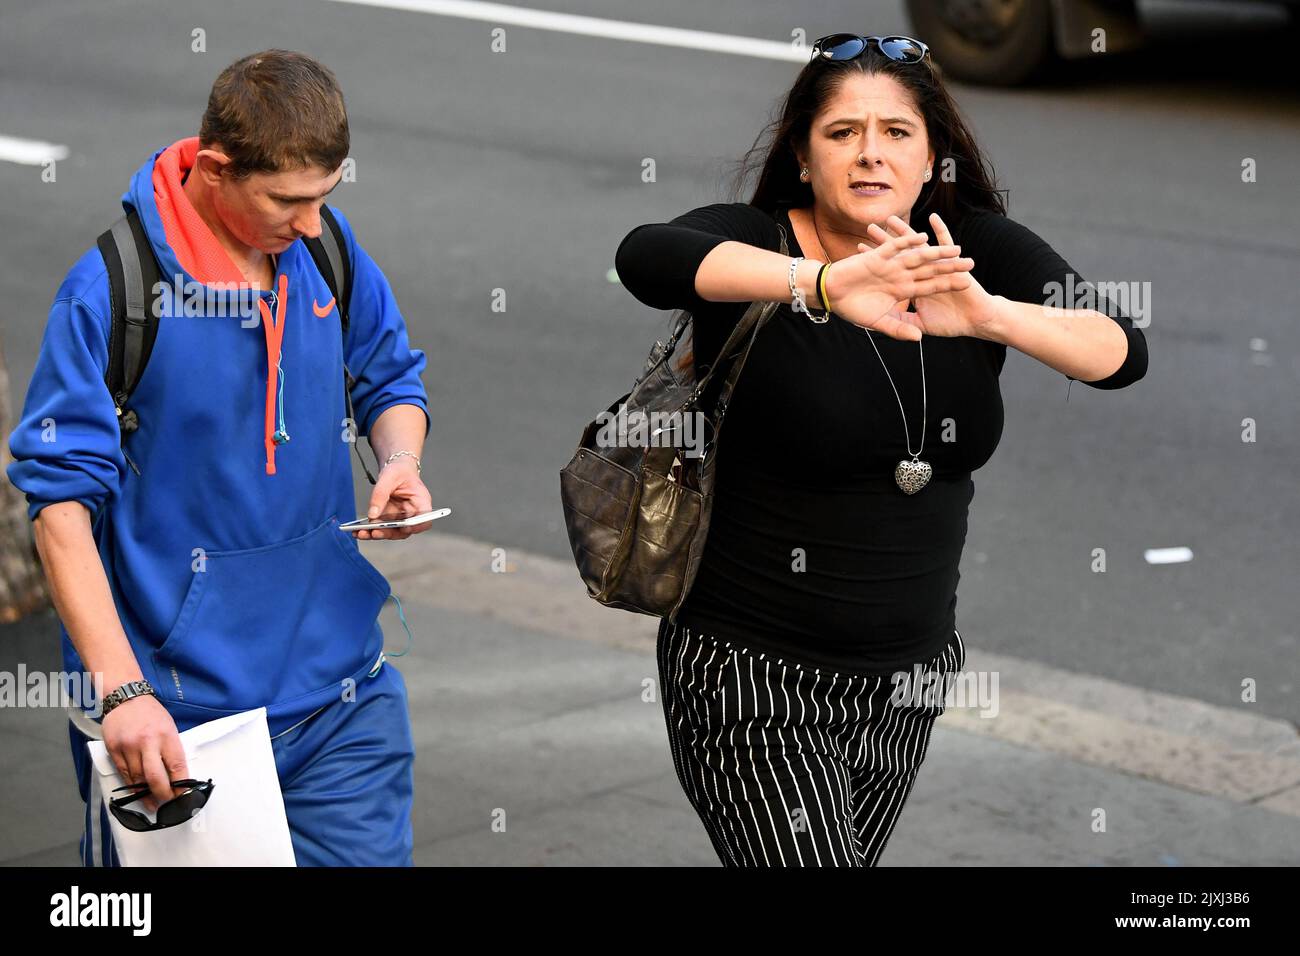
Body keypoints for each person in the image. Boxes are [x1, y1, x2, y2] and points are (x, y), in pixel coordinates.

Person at [613, 34, 1147, 867]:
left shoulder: (970, 244)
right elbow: (646, 255)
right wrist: (822, 285)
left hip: (911, 678)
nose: (871, 154)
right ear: (802, 153)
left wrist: (989, 316)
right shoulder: (760, 246)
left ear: (933, 153)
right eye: (842, 133)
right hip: (753, 678)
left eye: (897, 132)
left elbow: (1121, 351)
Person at [6, 50, 433, 866]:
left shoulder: (324, 250)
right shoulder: (110, 293)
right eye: (288, 200)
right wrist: (123, 694)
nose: (310, 223)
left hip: (342, 696)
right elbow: (59, 513)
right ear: (214, 169)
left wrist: (399, 461)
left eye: (324, 197)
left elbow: (389, 378)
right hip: (179, 722)